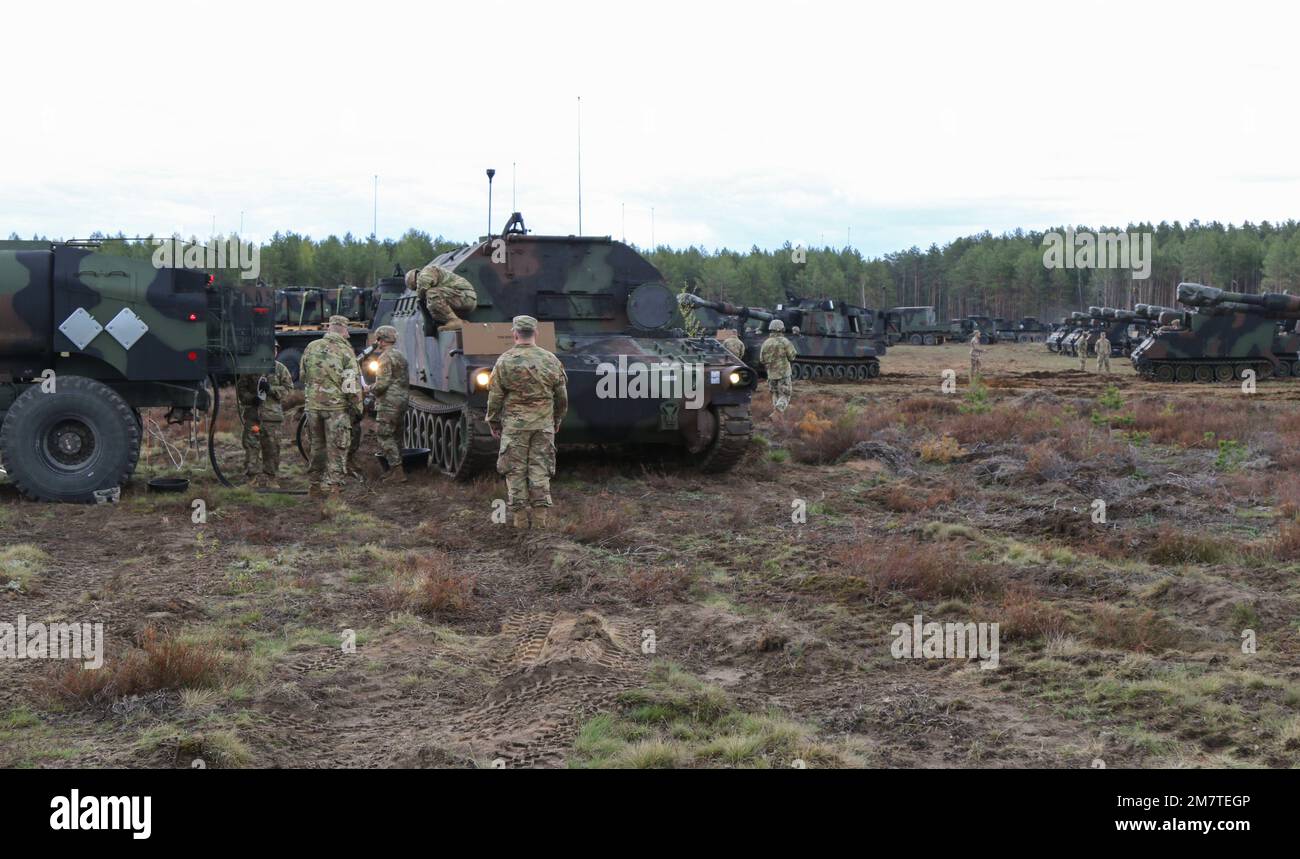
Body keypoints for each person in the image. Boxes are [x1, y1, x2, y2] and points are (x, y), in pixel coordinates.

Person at [486, 316, 568, 530]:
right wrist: (556, 419)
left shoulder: (504, 360)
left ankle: (520, 520)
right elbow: (561, 397)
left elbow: (495, 397)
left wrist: (493, 422)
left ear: (514, 334)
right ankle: (540, 521)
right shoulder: (550, 359)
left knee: (515, 471)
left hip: (515, 427)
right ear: (536, 333)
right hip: (543, 425)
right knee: (540, 470)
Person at [301, 315, 362, 498]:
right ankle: (335, 488)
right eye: (347, 331)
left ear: (329, 328)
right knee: (337, 447)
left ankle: (314, 486)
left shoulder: (311, 346)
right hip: (336, 409)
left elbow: (303, 376)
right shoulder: (345, 351)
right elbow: (350, 384)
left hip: (313, 407)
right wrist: (357, 407)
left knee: (317, 446)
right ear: (343, 330)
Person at [235, 344, 294, 488]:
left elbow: (289, 390)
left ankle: (271, 477)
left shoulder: (280, 369)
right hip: (253, 416)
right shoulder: (249, 368)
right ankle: (252, 478)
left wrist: (271, 389)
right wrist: (251, 399)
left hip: (271, 418)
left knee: (272, 448)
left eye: (274, 349)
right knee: (251, 446)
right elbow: (241, 390)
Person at [369, 325, 410, 483]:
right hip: (402, 400)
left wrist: (368, 389)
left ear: (381, 340)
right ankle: (394, 470)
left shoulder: (384, 358)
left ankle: (397, 471)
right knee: (396, 435)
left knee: (384, 434)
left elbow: (382, 384)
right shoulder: (400, 355)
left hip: (388, 402)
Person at [408, 263, 478, 331]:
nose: (416, 289)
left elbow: (423, 284)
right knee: (431, 303)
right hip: (460, 298)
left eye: (415, 287)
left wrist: (420, 297)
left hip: (465, 296)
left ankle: (454, 321)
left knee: (432, 293)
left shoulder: (427, 271)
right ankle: (459, 322)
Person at [759, 319, 797, 413]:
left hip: (771, 374)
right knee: (785, 394)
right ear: (781, 329)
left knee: (775, 394)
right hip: (783, 373)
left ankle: (777, 418)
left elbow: (762, 359)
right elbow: (792, 356)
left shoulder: (766, 343)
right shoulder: (785, 342)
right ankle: (778, 412)